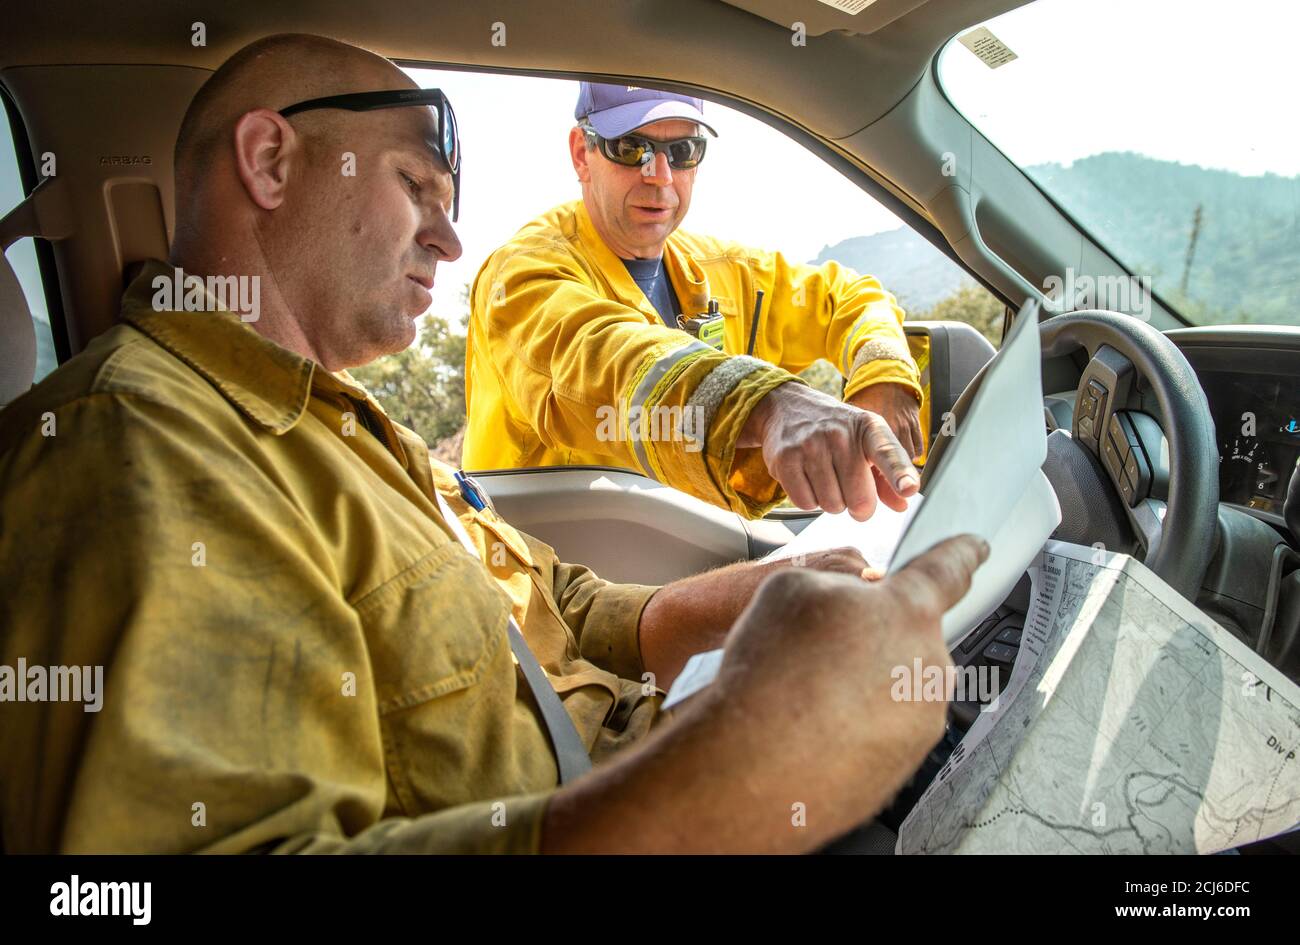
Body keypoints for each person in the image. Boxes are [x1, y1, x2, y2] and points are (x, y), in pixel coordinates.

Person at [0, 34, 985, 854]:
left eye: (684, 153)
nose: (449, 239)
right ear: (268, 162)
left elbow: (550, 607)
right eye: (416, 187)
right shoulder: (138, 449)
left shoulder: (342, 426)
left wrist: (750, 601)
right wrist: (735, 771)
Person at [464, 82, 926, 520]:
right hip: (549, 583)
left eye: (682, 151)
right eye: (630, 148)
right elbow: (601, 361)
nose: (659, 176)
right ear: (582, 154)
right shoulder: (523, 273)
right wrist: (768, 407)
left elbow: (848, 296)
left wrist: (883, 377)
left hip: (692, 553)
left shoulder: (722, 269)